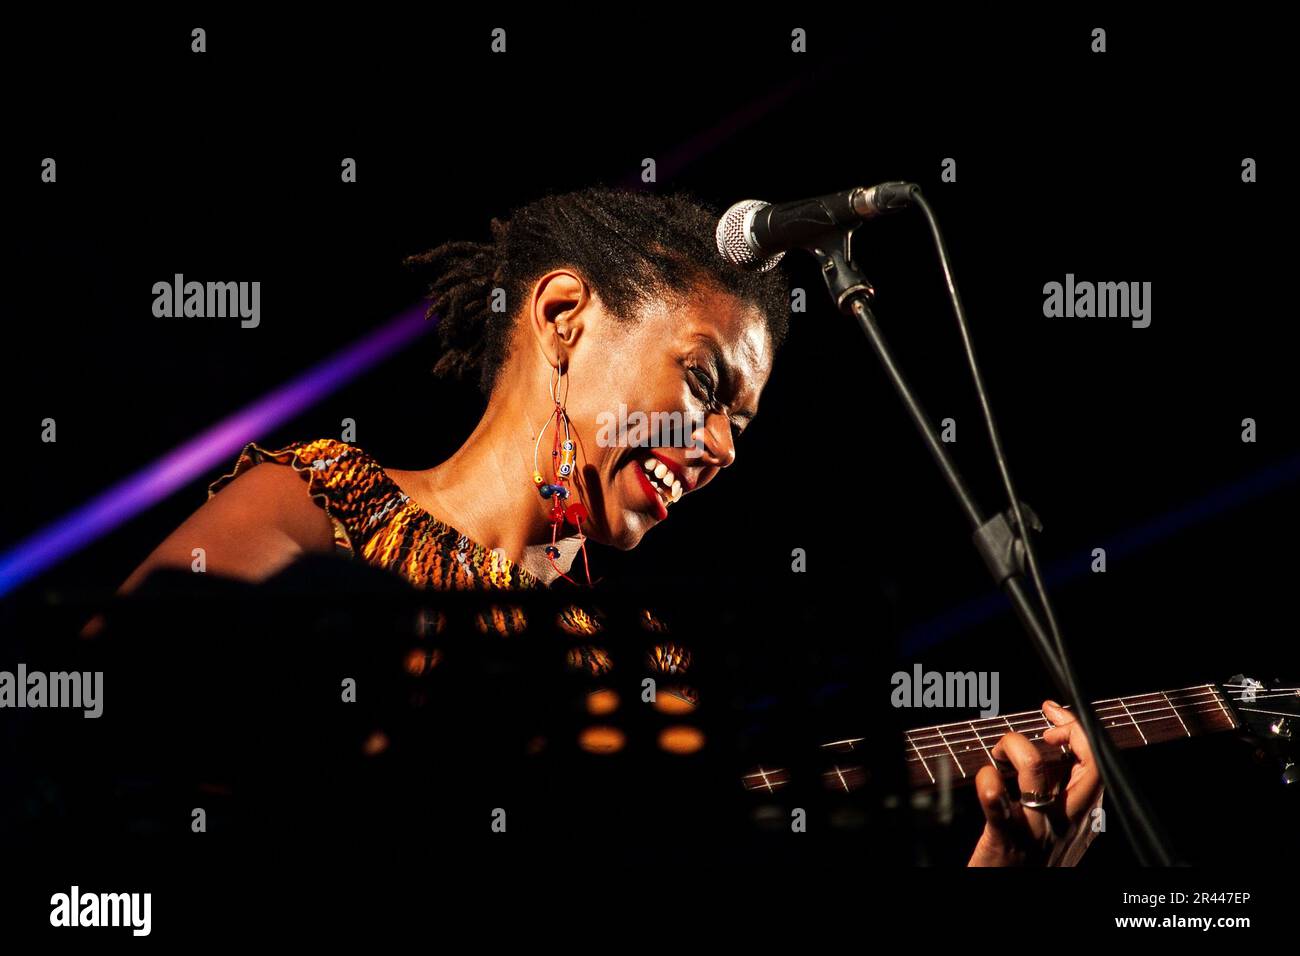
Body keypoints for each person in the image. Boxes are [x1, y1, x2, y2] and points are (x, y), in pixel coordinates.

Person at [108, 185, 1101, 865]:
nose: (721, 446)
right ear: (564, 314)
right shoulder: (326, 499)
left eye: (741, 425)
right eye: (705, 386)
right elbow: (125, 725)